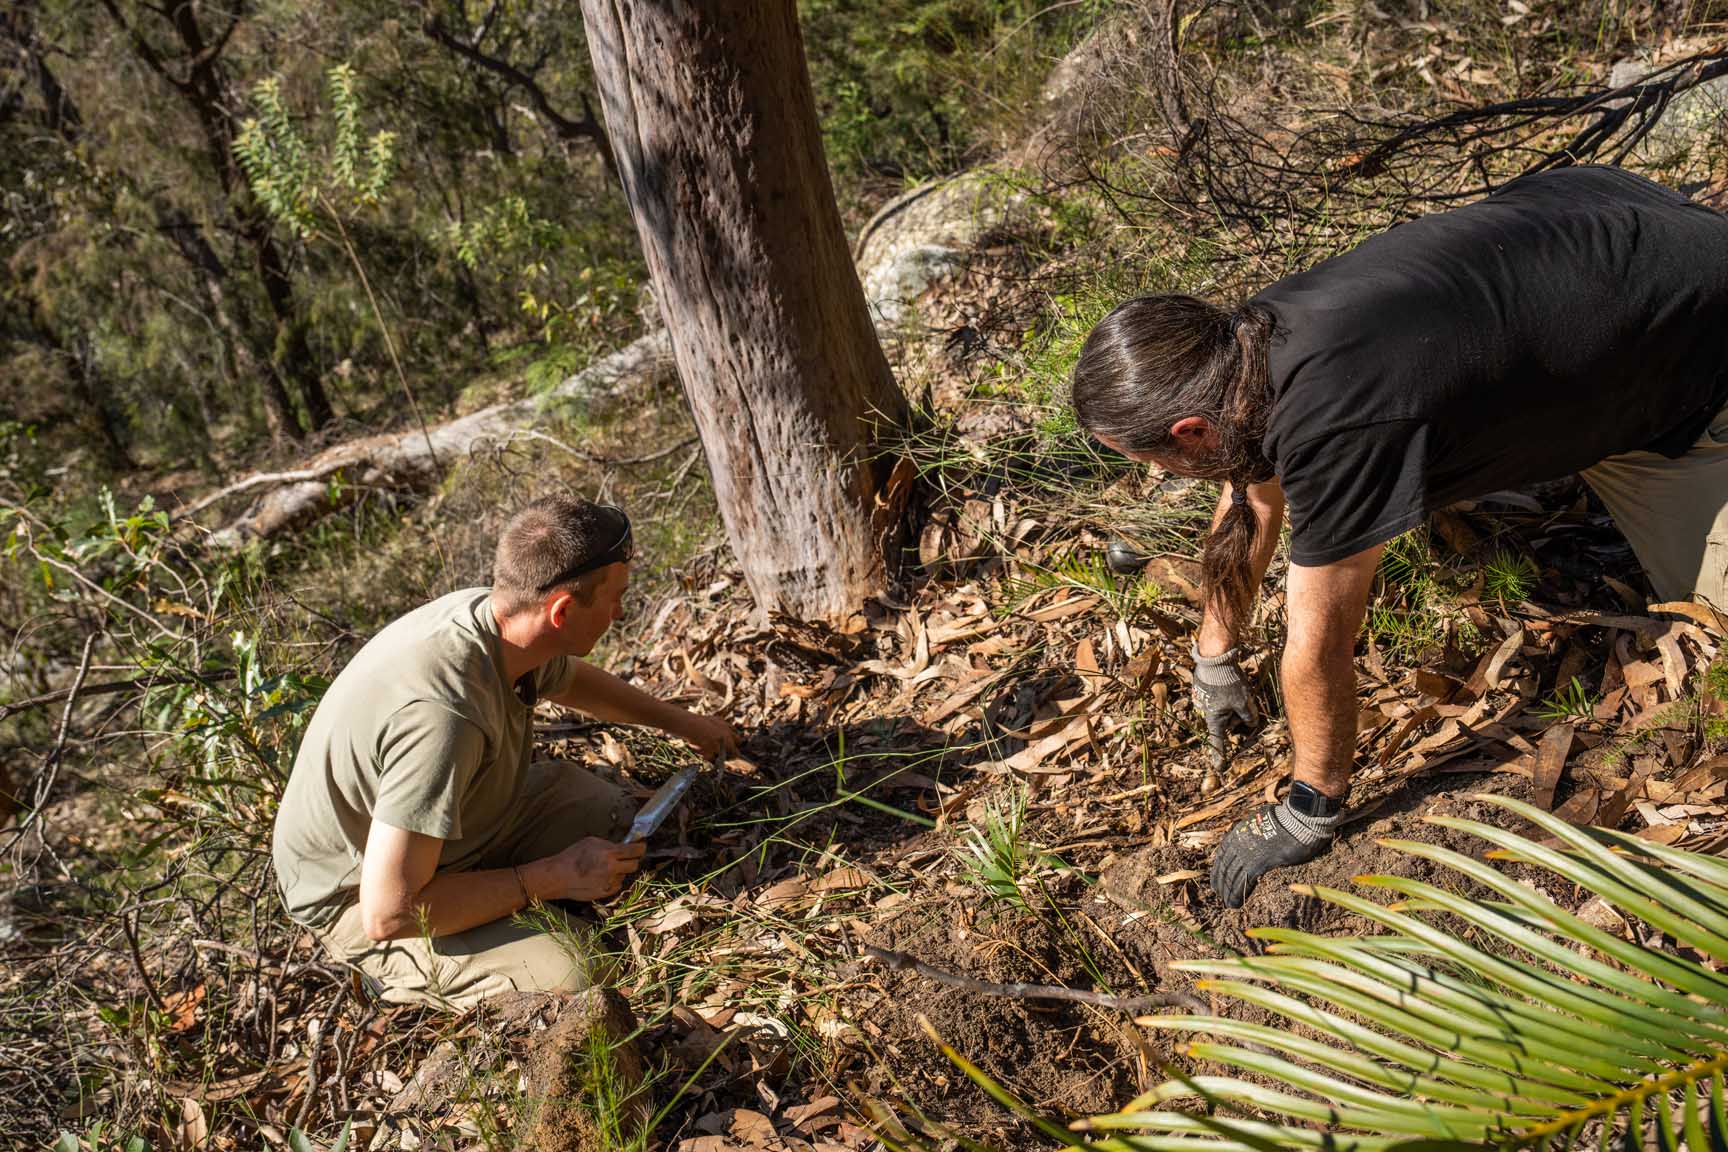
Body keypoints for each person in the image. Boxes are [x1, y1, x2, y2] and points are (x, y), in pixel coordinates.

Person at [1070, 165, 1728, 909]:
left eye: (1150, 460)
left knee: (1717, 622)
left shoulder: (1341, 427)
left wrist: (1311, 804)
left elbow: (1318, 642)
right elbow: (1252, 492)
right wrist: (1214, 652)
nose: (1158, 477)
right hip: (1601, 222)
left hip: (1696, 355)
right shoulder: (1252, 343)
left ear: (1191, 430)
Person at [271, 496, 737, 1008]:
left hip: (453, 834)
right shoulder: (443, 718)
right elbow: (389, 912)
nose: (620, 612)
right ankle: (400, 975)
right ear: (561, 611)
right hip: (361, 896)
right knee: (578, 975)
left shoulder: (505, 620)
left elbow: (571, 678)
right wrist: (548, 877)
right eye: (616, 598)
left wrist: (680, 721)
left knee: (611, 816)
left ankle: (492, 892)